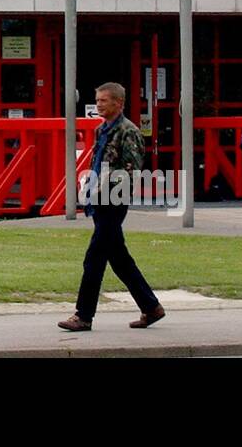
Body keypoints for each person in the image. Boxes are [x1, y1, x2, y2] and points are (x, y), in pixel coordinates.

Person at [57, 82, 165, 332]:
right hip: (99, 199)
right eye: (98, 100)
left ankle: (83, 315)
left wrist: (108, 188)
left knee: (93, 258)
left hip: (114, 201)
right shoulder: (100, 131)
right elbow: (97, 163)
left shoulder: (129, 132)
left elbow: (132, 169)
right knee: (119, 259)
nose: (99, 105)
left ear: (119, 103)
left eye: (104, 100)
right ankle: (151, 307)